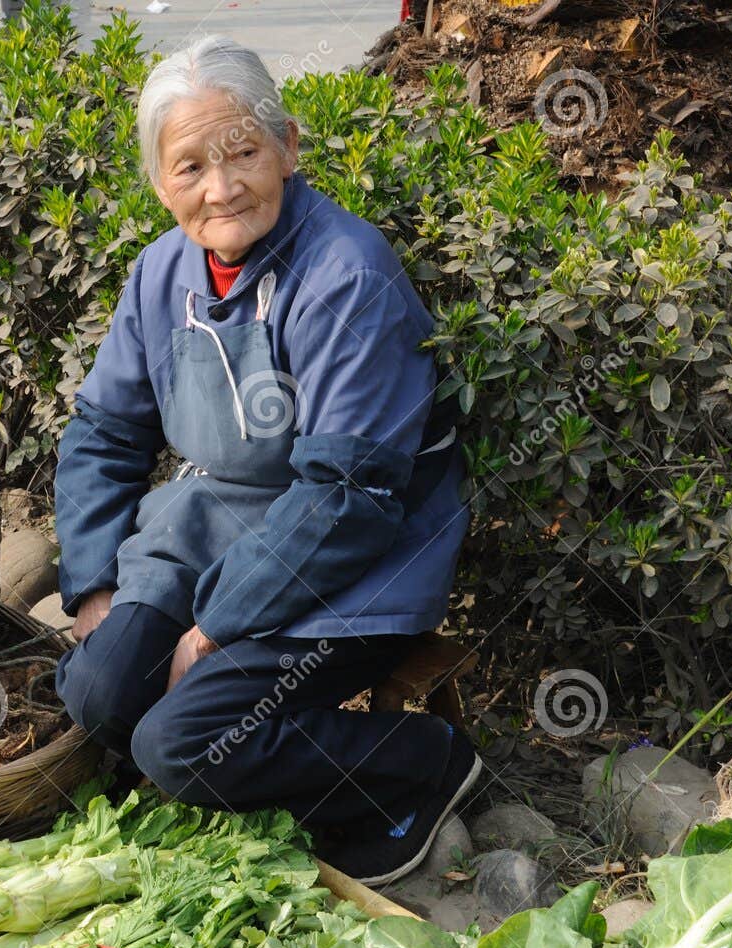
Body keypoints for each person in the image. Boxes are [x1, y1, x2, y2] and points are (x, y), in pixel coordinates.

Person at [51, 36, 476, 885]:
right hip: (214, 531)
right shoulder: (160, 272)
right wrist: (98, 584)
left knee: (183, 743)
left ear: (288, 147)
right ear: (159, 183)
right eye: (189, 166)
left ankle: (423, 760)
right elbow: (104, 430)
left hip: (354, 563)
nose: (222, 187)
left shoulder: (344, 273)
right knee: (100, 692)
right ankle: (253, 748)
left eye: (243, 151)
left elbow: (347, 498)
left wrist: (216, 627)